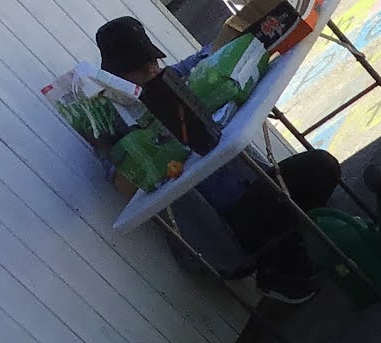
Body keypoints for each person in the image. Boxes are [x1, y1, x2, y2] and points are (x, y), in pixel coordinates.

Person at [95, 15, 338, 304]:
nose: (151, 68)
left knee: (320, 168)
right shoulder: (118, 128)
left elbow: (212, 53)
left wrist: (262, 23)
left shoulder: (173, 79)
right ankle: (280, 263)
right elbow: (120, 180)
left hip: (252, 183)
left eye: (151, 60)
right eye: (138, 67)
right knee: (306, 180)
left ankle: (285, 257)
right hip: (224, 222)